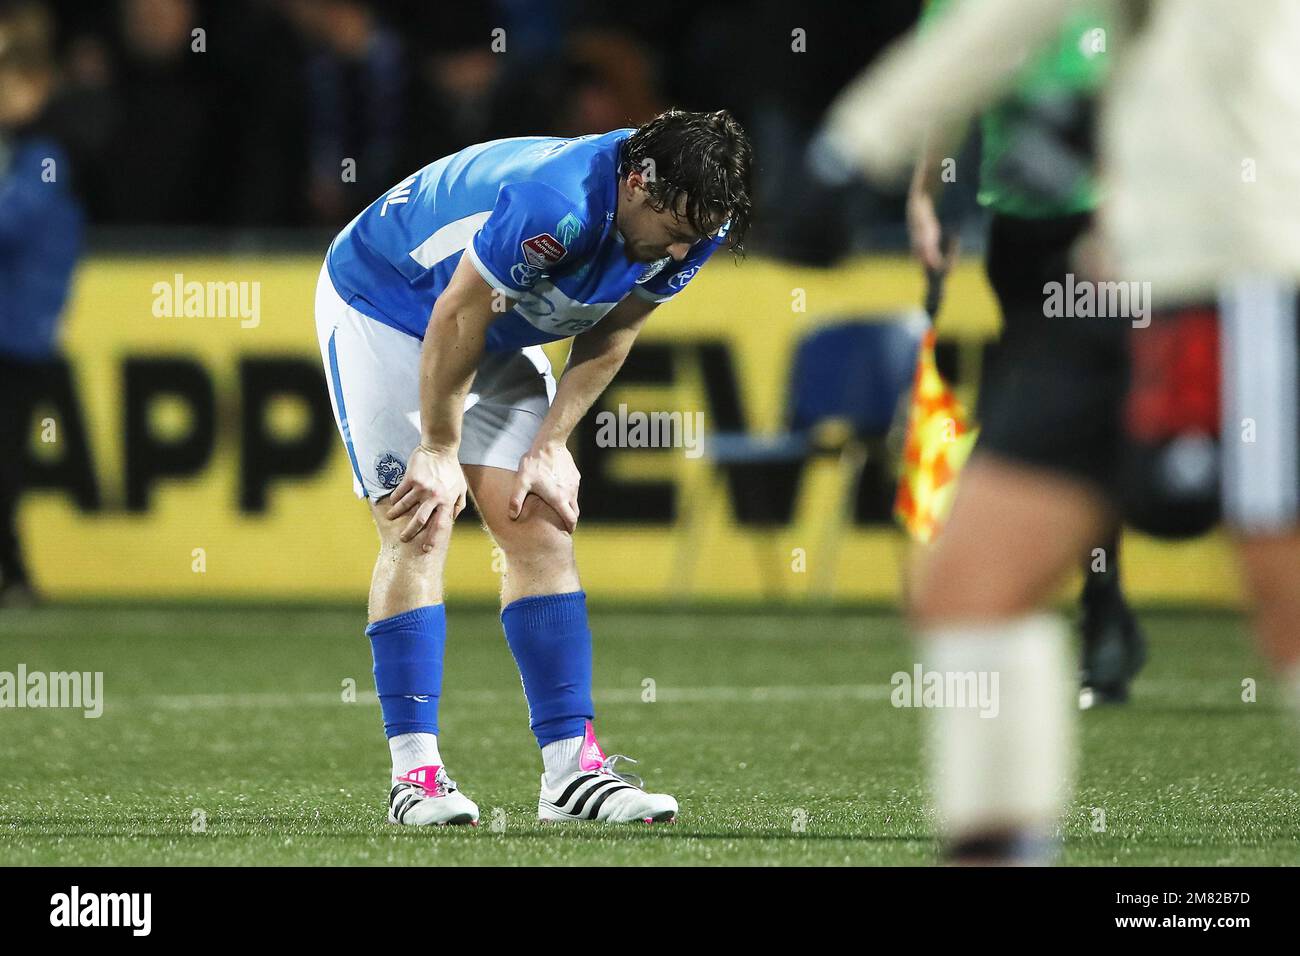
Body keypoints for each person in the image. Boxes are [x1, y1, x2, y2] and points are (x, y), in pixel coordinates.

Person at [821, 0, 1300, 863]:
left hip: (1238, 274)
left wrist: (853, 147)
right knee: (970, 592)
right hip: (1120, 273)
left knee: (1289, 619)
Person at [316, 109, 753, 825]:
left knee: (541, 523)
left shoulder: (696, 219)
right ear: (638, 182)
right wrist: (436, 446)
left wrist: (551, 444)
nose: (680, 252)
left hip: (492, 318)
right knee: (420, 522)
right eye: (673, 233)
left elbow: (619, 326)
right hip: (392, 304)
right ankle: (415, 778)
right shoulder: (558, 203)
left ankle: (569, 775)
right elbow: (457, 314)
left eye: (694, 239)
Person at [905, 0, 1146, 706]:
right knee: (1047, 425)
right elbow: (945, 93)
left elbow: (1143, 97)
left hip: (1101, 232)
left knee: (1080, 423)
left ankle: (1098, 614)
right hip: (1017, 231)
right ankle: (1093, 615)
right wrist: (931, 201)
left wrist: (1125, 213)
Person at [0, 1, 84, 607]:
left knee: (6, 455)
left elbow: (14, 220)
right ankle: (17, 574)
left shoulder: (49, 154)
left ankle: (18, 575)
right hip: (18, 329)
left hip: (19, 333)